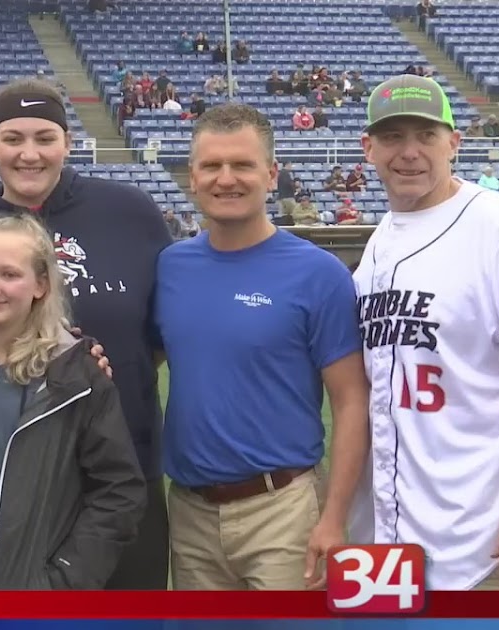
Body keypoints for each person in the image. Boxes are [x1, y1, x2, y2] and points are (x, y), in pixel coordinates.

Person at [0, 77, 174, 590]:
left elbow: (154, 340)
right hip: (10, 492)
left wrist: (88, 378)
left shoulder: (131, 214)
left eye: (44, 137)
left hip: (122, 470)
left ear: (67, 141)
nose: (29, 154)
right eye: (13, 138)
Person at [349, 74, 499, 590]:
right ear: (368, 148)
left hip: (477, 540)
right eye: (392, 137)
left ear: (454, 143)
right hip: (383, 541)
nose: (409, 152)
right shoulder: (377, 245)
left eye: (426, 136)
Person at [154, 103, 370, 591]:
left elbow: (353, 401)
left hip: (284, 509)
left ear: (271, 174)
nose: (225, 178)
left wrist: (334, 518)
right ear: (192, 176)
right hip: (190, 513)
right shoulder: (170, 267)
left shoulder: (319, 274)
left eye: (242, 165)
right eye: (211, 165)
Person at [0, 214, 146, 590]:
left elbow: (119, 491)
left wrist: (66, 578)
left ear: (41, 284)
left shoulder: (75, 376)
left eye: (9, 275)